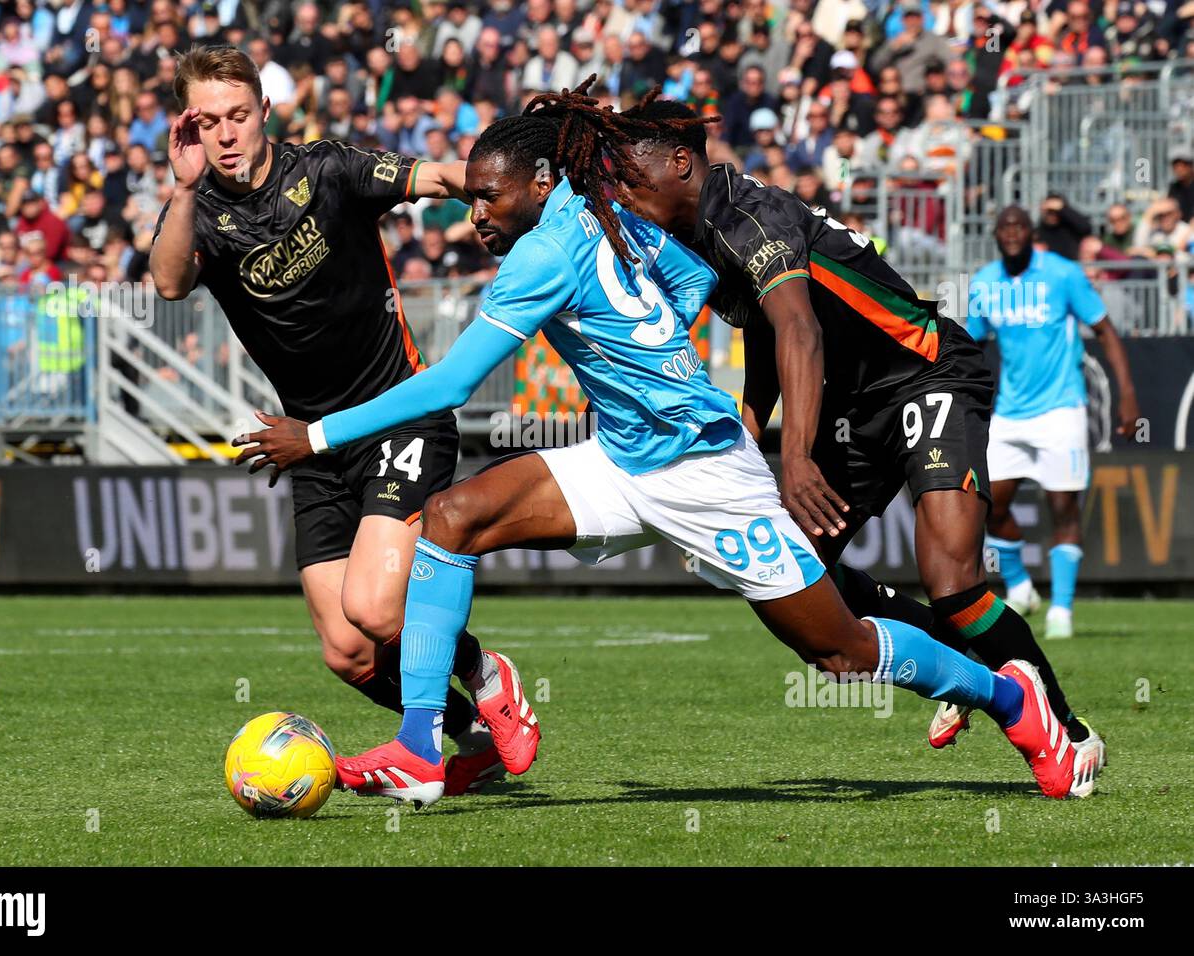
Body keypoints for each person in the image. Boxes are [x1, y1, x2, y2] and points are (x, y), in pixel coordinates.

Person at [238, 82, 1085, 808]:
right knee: (451, 517)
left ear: (539, 182)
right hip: (622, 458)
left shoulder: (543, 254)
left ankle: (1010, 699)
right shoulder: (598, 209)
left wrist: (311, 435)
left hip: (706, 472)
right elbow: (695, 278)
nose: (476, 216)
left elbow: (450, 386)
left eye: (488, 199)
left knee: (839, 650)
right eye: (470, 201)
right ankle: (424, 750)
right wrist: (654, 336)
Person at [605, 94, 1104, 796]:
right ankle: (969, 675)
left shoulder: (751, 214)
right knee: (795, 581)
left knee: (953, 580)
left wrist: (796, 455)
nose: (621, 191)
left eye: (629, 175)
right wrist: (745, 434)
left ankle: (1066, 729)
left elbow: (801, 332)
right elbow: (768, 338)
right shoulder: (696, 238)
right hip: (850, 406)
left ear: (679, 161)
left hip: (925, 370)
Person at [148, 45, 530, 798]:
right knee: (348, 653)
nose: (224, 134)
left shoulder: (325, 170)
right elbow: (166, 282)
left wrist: (497, 195)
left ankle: (486, 672)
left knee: (374, 608)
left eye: (237, 115)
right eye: (206, 122)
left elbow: (436, 176)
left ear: (264, 112)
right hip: (309, 444)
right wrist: (183, 190)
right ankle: (471, 735)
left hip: (398, 416)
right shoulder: (201, 212)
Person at [968, 206, 1141, 641]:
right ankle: (1021, 586)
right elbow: (971, 347)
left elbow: (1106, 331)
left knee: (1062, 507)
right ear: (995, 233)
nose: (1011, 233)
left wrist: (1128, 394)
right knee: (988, 504)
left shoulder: (1062, 274)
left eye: (1019, 226)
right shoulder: (984, 283)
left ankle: (1061, 609)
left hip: (1062, 408)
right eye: (1003, 226)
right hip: (1009, 412)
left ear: (1031, 233)